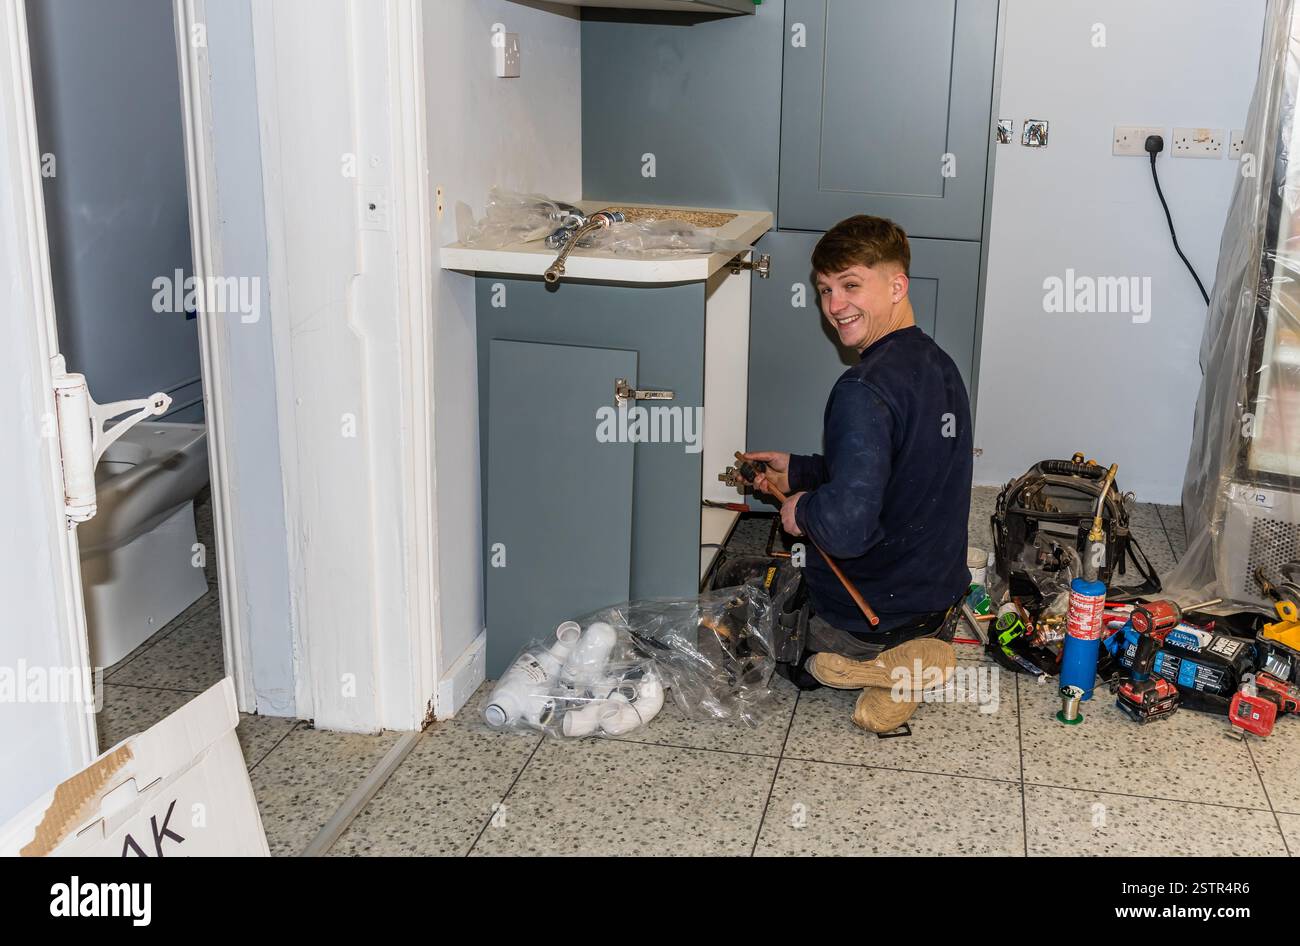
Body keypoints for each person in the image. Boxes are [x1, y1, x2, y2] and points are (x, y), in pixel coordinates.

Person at [745, 215, 972, 695]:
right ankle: (912, 662)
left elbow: (847, 530)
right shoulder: (938, 363)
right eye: (825, 290)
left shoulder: (862, 389)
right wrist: (802, 470)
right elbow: (900, 470)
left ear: (896, 286)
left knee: (748, 627)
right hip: (937, 603)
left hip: (868, 623)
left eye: (851, 285)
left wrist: (800, 509)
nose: (834, 305)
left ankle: (877, 670)